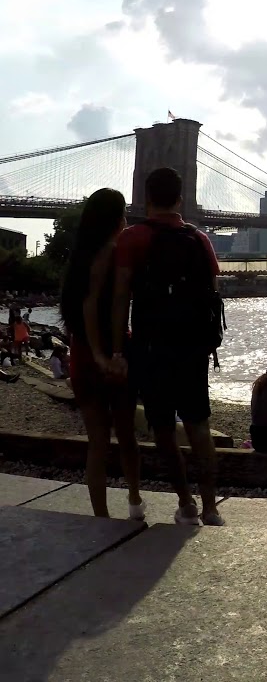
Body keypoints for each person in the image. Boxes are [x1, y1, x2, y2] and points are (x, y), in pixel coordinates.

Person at [112, 167, 224, 526]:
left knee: (162, 426)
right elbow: (212, 293)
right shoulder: (199, 238)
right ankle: (211, 508)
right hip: (192, 348)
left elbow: (121, 298)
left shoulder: (132, 237)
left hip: (151, 347)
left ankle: (186, 505)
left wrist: (118, 349)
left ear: (146, 199)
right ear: (180, 198)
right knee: (199, 425)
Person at [58, 188, 145, 520]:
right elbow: (92, 304)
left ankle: (101, 516)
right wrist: (104, 354)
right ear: (116, 218)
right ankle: (135, 502)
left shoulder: (79, 255)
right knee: (125, 435)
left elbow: (78, 309)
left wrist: (89, 352)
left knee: (97, 442)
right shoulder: (110, 250)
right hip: (108, 354)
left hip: (81, 354)